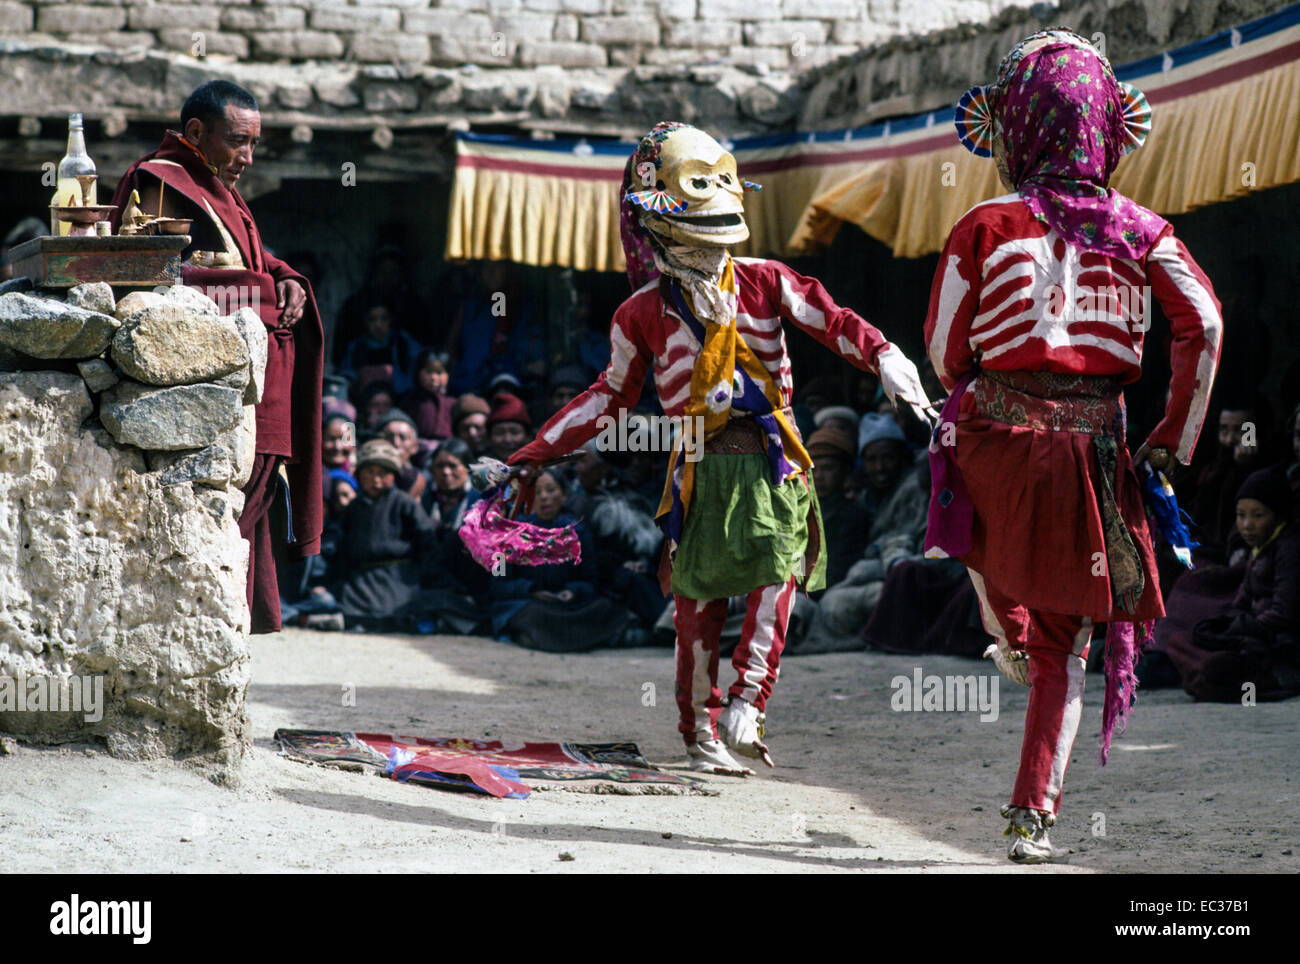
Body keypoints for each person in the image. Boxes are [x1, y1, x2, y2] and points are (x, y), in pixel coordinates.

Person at [507, 122, 933, 774]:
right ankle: (698, 730)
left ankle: (750, 700)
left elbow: (836, 323)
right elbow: (609, 398)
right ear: (657, 228)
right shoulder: (641, 313)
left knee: (776, 578)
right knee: (696, 607)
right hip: (699, 466)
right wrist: (536, 451)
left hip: (775, 455)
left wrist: (885, 355)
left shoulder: (766, 281)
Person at [928, 30, 1222, 861]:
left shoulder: (983, 226)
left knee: (975, 531)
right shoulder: (1145, 230)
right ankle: (1033, 817)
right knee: (1069, 646)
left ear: (1014, 127)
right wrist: (1172, 440)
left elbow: (946, 346)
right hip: (1095, 448)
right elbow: (1202, 321)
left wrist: (978, 380)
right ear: (1105, 126)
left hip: (992, 437)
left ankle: (1007, 624)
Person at [109, 79, 323, 635]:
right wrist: (262, 290)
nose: (247, 158)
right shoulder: (156, 182)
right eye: (238, 142)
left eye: (255, 144)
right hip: (204, 393)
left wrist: (287, 277)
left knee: (239, 528)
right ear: (197, 133)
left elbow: (252, 257)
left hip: (254, 384)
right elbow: (150, 273)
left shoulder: (216, 184)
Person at [1165, 469, 1299, 702]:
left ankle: (1256, 680)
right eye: (1241, 515)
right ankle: (1211, 679)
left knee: (1215, 667)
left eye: (1258, 516)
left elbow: (1283, 613)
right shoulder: (1261, 549)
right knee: (1180, 640)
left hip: (1277, 644)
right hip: (1250, 636)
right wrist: (1224, 625)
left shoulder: (1289, 549)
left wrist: (1243, 627)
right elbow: (1241, 600)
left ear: (1278, 514)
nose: (1247, 525)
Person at [489, 468, 628, 652]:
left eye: (551, 490)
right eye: (536, 493)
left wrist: (572, 592)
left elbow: (590, 581)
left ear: (563, 495)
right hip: (532, 603)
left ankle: (540, 637)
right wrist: (532, 590)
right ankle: (575, 638)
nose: (544, 497)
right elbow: (499, 585)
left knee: (604, 607)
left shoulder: (578, 532)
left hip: (567, 604)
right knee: (531, 614)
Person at [334, 439, 440, 631]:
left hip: (399, 576)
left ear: (393, 476)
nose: (376, 480)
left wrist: (421, 576)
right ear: (360, 475)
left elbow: (427, 542)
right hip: (362, 578)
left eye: (383, 474)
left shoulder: (405, 503)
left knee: (400, 611)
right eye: (369, 473)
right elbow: (342, 547)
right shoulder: (354, 508)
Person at [401, 350, 455, 442]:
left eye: (439, 373)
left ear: (448, 374)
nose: (433, 377)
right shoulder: (410, 400)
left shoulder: (453, 401)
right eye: (429, 372)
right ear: (418, 372)